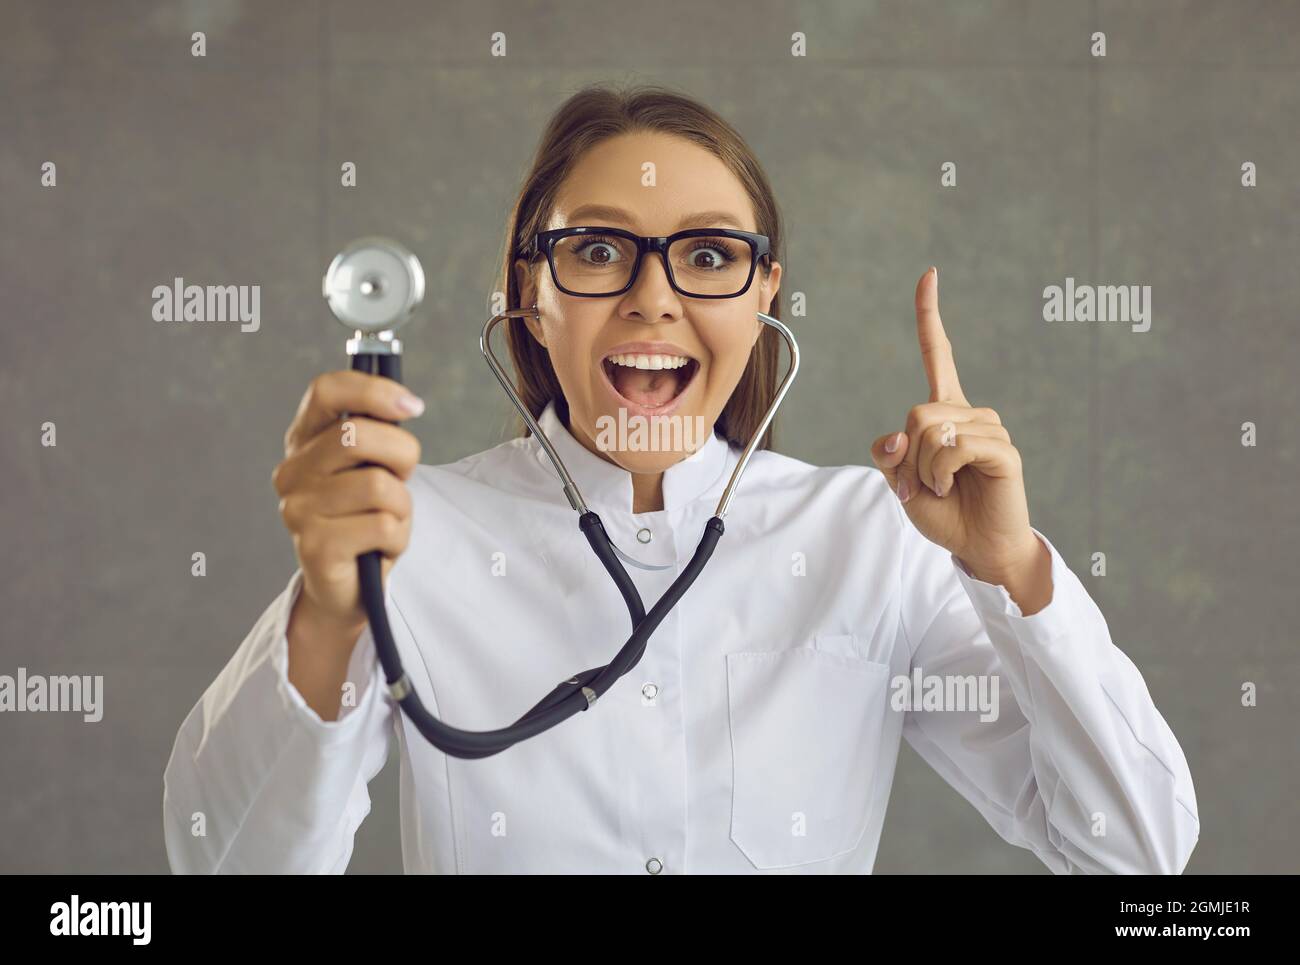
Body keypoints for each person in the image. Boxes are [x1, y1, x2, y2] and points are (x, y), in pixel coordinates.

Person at [163, 84, 1199, 874]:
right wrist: (327, 616)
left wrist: (1013, 571)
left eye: (708, 256)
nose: (653, 298)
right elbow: (227, 859)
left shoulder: (875, 535)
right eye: (599, 249)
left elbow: (1134, 853)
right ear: (529, 290)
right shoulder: (405, 533)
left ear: (763, 294)